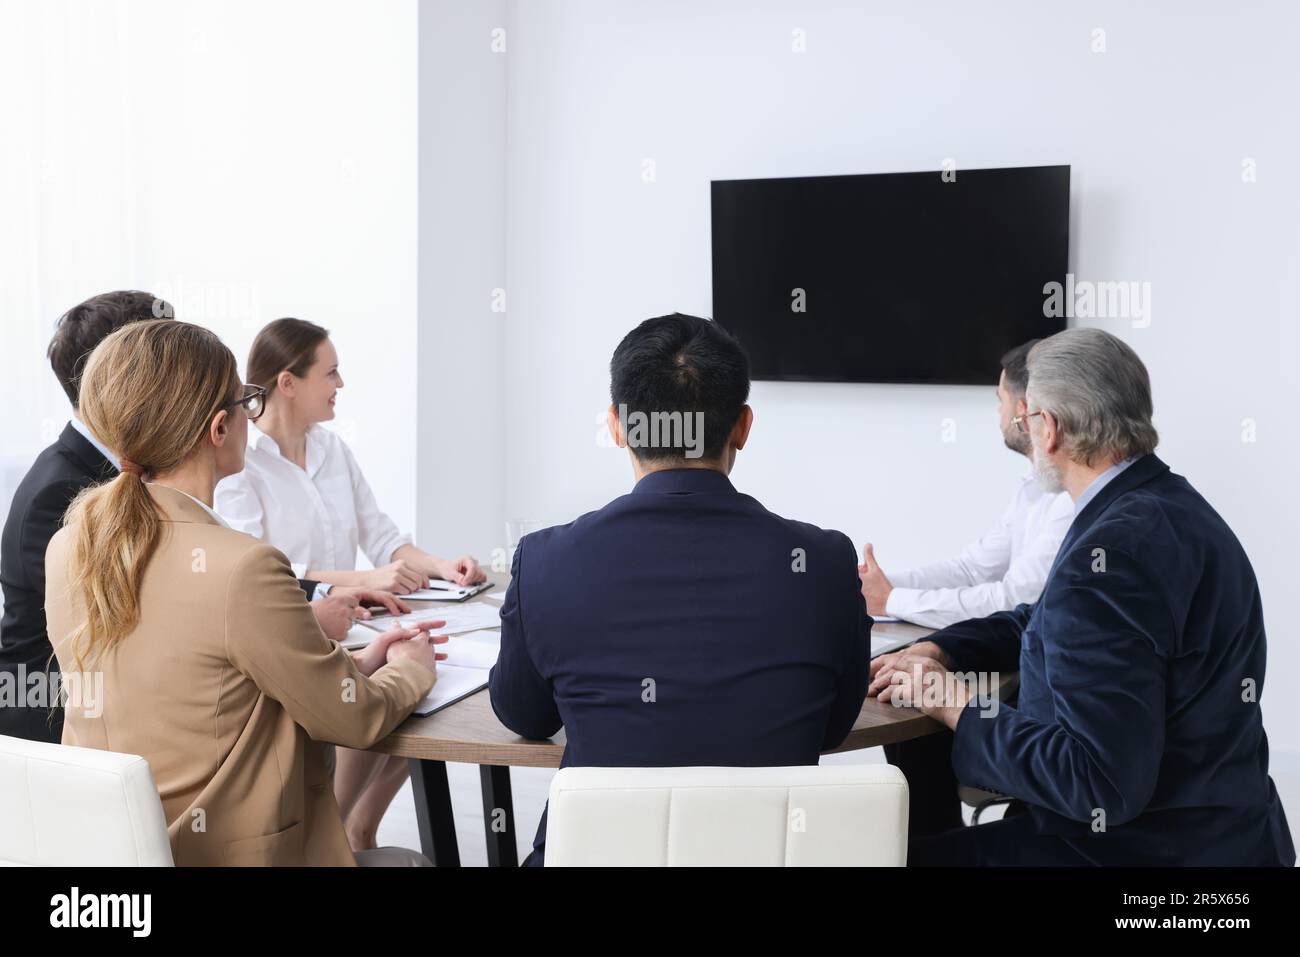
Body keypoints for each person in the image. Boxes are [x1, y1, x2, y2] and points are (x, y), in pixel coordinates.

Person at [869, 328, 1294, 866]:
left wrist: (954, 702)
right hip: (1230, 836)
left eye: (1025, 419)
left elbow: (1097, 784)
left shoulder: (1109, 554)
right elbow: (1046, 620)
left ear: (1049, 429)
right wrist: (946, 650)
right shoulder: (1171, 507)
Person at [45, 319, 446, 866]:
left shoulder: (71, 548)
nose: (249, 417)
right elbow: (352, 720)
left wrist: (348, 661)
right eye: (245, 402)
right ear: (219, 428)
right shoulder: (244, 567)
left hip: (109, 866)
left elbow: (201, 688)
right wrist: (412, 666)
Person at [489, 313, 872, 866]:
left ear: (617, 426)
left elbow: (525, 715)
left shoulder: (545, 560)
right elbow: (832, 729)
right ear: (742, 426)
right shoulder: (825, 562)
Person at [0, 293, 404, 746]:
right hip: (54, 730)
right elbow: (169, 631)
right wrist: (395, 664)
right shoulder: (63, 497)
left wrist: (306, 632)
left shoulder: (105, 511)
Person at [214, 316, 486, 851]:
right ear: (288, 383)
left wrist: (443, 565)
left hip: (358, 620)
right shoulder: (240, 464)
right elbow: (265, 569)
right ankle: (331, 835)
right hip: (300, 630)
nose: (341, 385)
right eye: (331, 373)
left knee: (428, 681)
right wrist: (365, 577)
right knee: (391, 692)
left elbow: (383, 537)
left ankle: (358, 827)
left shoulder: (333, 449)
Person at [858, 339, 1073, 628]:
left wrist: (890, 600)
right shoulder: (1035, 486)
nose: (999, 413)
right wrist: (874, 586)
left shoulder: (1070, 497)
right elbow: (972, 570)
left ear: (1023, 413)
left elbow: (1014, 601)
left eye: (1001, 401)